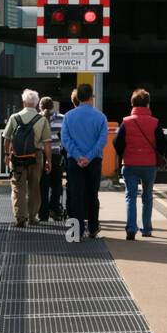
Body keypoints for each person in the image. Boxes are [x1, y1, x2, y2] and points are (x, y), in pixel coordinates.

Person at [112, 89, 167, 240]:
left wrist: (124, 153)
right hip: (149, 165)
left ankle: (131, 228)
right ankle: (146, 229)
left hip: (129, 164)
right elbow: (163, 143)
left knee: (130, 196)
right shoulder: (154, 122)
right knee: (147, 196)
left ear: (132, 103)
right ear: (148, 104)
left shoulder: (126, 122)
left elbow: (117, 143)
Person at [61, 83, 108, 240]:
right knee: (92, 195)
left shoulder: (68, 116)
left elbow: (65, 140)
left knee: (76, 195)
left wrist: (77, 156)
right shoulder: (101, 117)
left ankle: (76, 231)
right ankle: (93, 228)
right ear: (91, 97)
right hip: (93, 161)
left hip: (74, 162)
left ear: (78, 97)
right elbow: (102, 141)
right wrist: (88, 157)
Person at [2, 90, 52, 227]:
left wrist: (7, 155)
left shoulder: (14, 117)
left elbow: (6, 139)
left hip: (17, 157)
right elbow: (47, 143)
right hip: (36, 157)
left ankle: (20, 217)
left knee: (18, 187)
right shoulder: (41, 119)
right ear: (36, 104)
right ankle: (32, 217)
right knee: (34, 187)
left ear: (24, 102)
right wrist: (49, 161)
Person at [37, 96, 66, 222]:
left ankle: (42, 213)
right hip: (56, 156)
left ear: (40, 107)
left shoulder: (36, 119)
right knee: (56, 184)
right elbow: (64, 139)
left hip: (41, 156)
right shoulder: (62, 118)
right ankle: (54, 209)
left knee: (42, 185)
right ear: (52, 107)